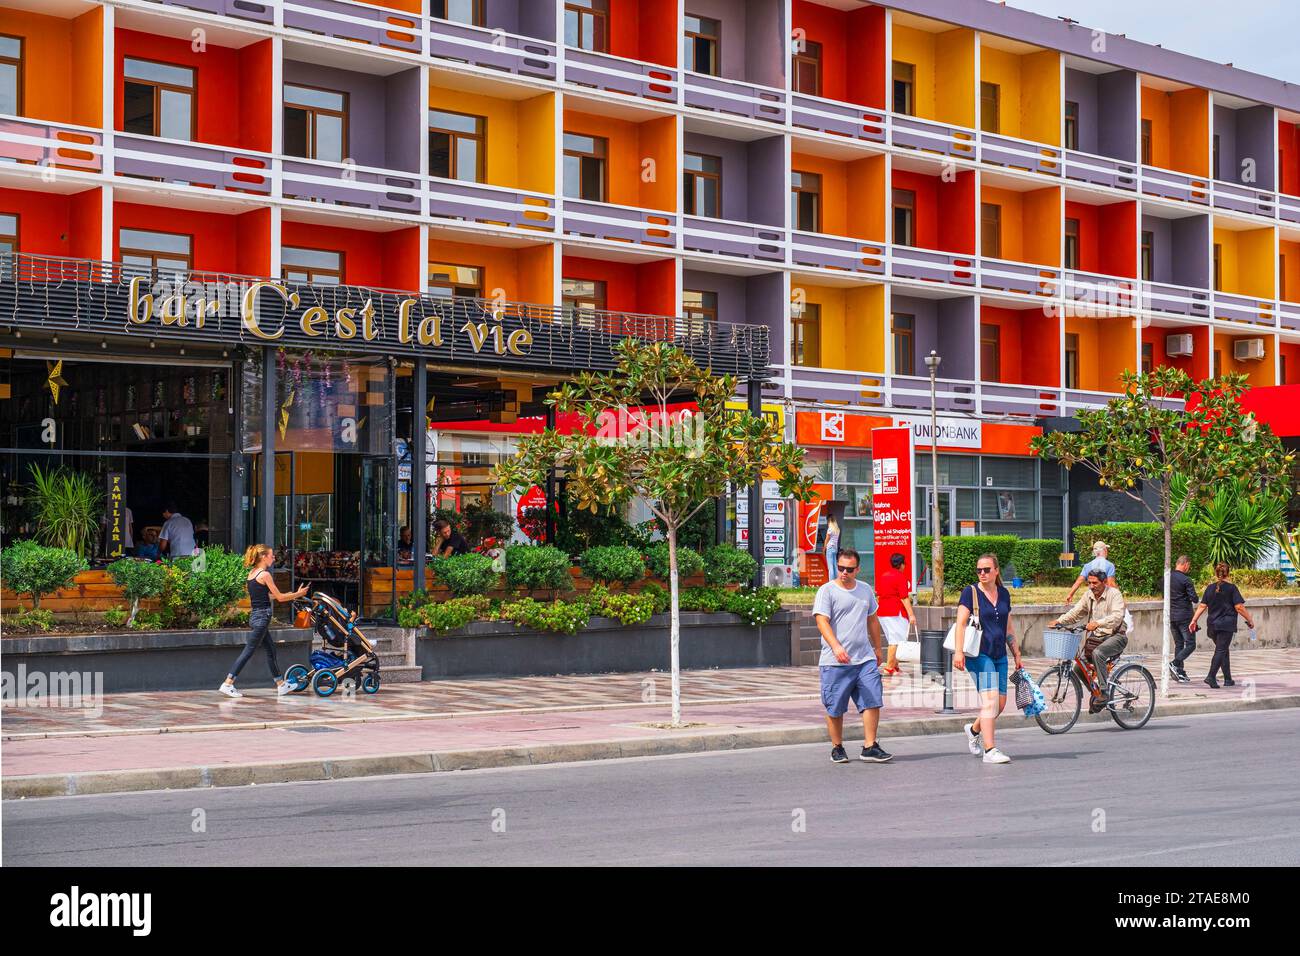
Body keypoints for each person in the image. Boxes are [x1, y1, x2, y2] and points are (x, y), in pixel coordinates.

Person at [812, 548, 893, 764]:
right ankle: (837, 747)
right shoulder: (827, 591)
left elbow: (872, 620)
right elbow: (822, 621)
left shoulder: (865, 590)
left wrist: (878, 649)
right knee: (835, 706)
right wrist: (836, 646)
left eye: (849, 569)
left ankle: (870, 746)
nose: (844, 572)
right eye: (840, 568)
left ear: (858, 569)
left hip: (864, 658)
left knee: (873, 700)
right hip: (835, 661)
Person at [953, 553, 1022, 764]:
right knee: (990, 701)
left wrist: (1016, 652)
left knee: (999, 704)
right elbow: (961, 623)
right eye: (979, 570)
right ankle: (990, 749)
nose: (982, 573)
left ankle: (973, 730)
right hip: (979, 653)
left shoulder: (1004, 594)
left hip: (1000, 654)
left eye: (986, 570)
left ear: (996, 571)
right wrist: (958, 652)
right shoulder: (970, 592)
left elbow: (1008, 627)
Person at [219, 544, 307, 699]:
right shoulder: (265, 575)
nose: (273, 558)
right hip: (262, 618)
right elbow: (280, 598)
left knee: (271, 650)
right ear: (263, 557)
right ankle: (228, 683)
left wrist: (289, 594)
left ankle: (281, 685)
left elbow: (267, 596)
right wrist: (297, 594)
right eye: (271, 555)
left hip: (255, 617)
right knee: (248, 651)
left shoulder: (252, 574)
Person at [1049, 569, 1128, 709]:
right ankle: (1096, 694)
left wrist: (1098, 623)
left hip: (1116, 636)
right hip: (1097, 638)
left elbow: (1117, 617)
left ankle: (1104, 693)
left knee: (1098, 654)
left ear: (1104, 582)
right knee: (1079, 668)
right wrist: (1059, 621)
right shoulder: (1088, 595)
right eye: (1089, 583)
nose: (1091, 586)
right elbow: (1076, 612)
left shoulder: (1114, 594)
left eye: (1095, 583)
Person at [1189, 563, 1254, 689]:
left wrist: (1194, 620)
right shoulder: (1232, 588)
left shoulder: (1210, 588)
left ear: (1216, 573)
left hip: (1212, 625)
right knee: (1221, 650)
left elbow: (1202, 606)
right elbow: (1239, 607)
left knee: (1223, 649)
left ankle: (1228, 679)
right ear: (1228, 573)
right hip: (1225, 625)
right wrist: (1250, 620)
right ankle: (1211, 676)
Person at [875, 551, 916, 676]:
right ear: (902, 564)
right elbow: (904, 597)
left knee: (892, 638)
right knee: (896, 641)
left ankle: (895, 666)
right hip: (895, 612)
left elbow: (878, 594)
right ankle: (889, 668)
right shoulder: (900, 577)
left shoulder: (883, 575)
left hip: (882, 611)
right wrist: (911, 614)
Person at [1166, 554, 1199, 683]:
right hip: (1185, 617)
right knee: (1191, 644)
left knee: (1179, 644)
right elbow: (1194, 598)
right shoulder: (1186, 579)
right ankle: (1175, 663)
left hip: (1172, 616)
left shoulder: (1167, 578)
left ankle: (1179, 672)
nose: (1188, 568)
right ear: (1185, 564)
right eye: (1188, 566)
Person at [1065, 540, 1117, 604]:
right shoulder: (1110, 565)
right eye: (1106, 550)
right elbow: (1111, 583)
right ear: (1105, 550)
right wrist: (1117, 597)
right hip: (1105, 597)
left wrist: (1070, 594)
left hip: (1092, 596)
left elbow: (1079, 581)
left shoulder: (1087, 565)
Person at [823, 515, 840, 584]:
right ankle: (837, 581)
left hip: (830, 548)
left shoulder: (830, 529)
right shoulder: (837, 529)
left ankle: (831, 583)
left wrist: (824, 548)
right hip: (835, 549)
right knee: (835, 566)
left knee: (830, 567)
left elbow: (827, 539)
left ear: (829, 521)